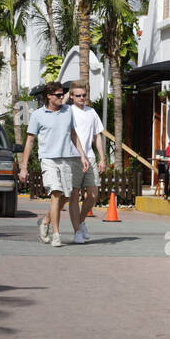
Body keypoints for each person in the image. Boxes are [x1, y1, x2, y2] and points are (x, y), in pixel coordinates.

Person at [18, 81, 90, 248]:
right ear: (49, 97)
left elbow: (73, 134)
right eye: (58, 95)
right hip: (48, 159)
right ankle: (56, 234)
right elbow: (29, 141)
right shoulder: (37, 115)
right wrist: (24, 167)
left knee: (66, 196)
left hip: (66, 159)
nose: (62, 97)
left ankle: (45, 222)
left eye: (62, 94)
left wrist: (83, 156)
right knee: (56, 194)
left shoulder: (68, 112)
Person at [63, 80, 106, 243]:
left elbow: (97, 136)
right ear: (72, 96)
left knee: (93, 195)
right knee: (73, 195)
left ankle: (80, 222)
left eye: (84, 95)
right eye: (78, 95)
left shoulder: (91, 112)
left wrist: (102, 158)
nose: (82, 98)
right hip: (72, 157)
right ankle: (77, 232)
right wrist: (68, 95)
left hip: (90, 157)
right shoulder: (67, 110)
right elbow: (58, 103)